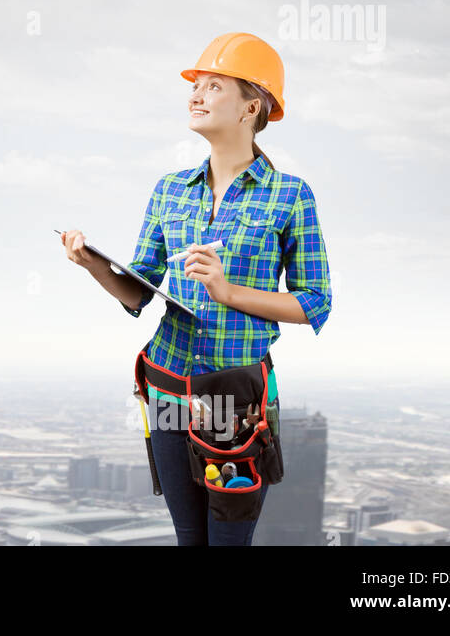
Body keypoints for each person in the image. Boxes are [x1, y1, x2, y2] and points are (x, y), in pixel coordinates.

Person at [61, 32, 332, 545]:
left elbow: (315, 303)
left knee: (227, 539)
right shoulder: (169, 189)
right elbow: (138, 291)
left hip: (235, 396)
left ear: (252, 106)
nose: (196, 94)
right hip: (165, 385)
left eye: (213, 85)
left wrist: (228, 292)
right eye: (195, 85)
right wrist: (91, 265)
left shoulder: (290, 195)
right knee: (189, 537)